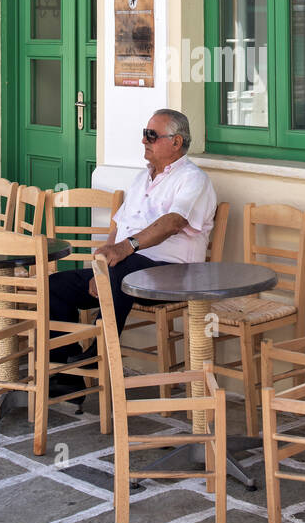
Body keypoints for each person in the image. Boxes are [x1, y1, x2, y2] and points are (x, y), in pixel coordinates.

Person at [47, 109, 217, 385]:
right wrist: (99, 265)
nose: (144, 141)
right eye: (144, 134)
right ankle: (69, 370)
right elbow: (119, 226)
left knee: (121, 269)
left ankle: (98, 352)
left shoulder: (193, 178)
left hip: (172, 275)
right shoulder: (142, 178)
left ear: (176, 142)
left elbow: (173, 222)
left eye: (152, 135)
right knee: (55, 286)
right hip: (123, 272)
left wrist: (125, 250)